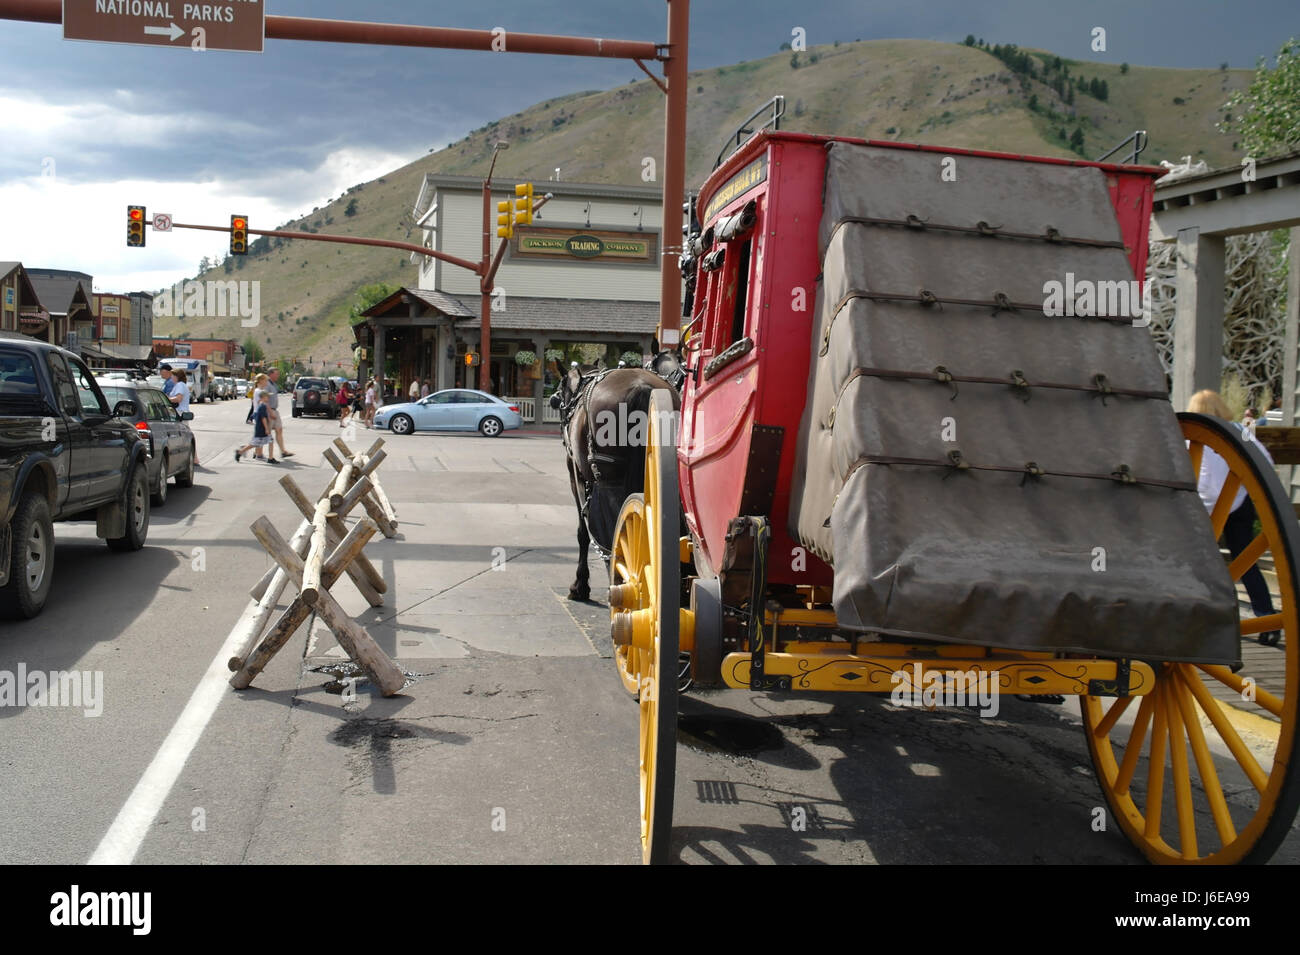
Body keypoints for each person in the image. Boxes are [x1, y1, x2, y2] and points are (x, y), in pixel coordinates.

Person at [1187, 389, 1279, 645]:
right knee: (1246, 562)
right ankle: (1266, 617)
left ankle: (1200, 617)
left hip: (1200, 509)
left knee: (1197, 564)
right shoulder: (1240, 431)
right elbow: (1266, 464)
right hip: (1238, 503)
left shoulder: (1188, 436)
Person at [235, 391, 277, 464]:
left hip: (260, 428)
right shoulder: (262, 406)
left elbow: (255, 415)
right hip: (261, 429)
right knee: (255, 444)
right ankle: (240, 452)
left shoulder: (261, 405)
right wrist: (266, 428)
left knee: (260, 443)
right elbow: (263, 418)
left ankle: (240, 452)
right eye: (267, 396)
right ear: (263, 397)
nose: (269, 398)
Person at [264, 367, 294, 458]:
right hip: (269, 411)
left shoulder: (274, 384)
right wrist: (269, 411)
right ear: (271, 374)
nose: (278, 376)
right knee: (266, 433)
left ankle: (283, 451)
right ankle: (253, 450)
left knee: (279, 429)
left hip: (275, 410)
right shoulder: (267, 384)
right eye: (276, 374)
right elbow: (264, 400)